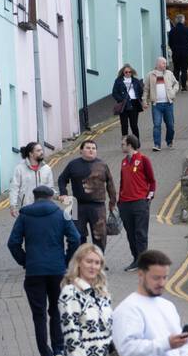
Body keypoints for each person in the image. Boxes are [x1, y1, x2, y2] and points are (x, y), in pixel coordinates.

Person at [7, 185, 80, 356]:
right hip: (57, 271)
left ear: (35, 197)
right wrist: (65, 260)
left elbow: (13, 243)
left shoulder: (24, 216)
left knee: (38, 315)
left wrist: (25, 261)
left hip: (34, 272)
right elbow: (75, 238)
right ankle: (58, 350)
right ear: (50, 197)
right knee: (56, 310)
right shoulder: (61, 214)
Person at [57, 138, 118, 253]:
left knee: (100, 236)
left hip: (98, 206)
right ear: (81, 151)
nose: (91, 150)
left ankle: (99, 260)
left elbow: (110, 184)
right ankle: (80, 260)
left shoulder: (102, 165)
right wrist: (63, 194)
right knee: (77, 236)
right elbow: (62, 179)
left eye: (94, 148)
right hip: (76, 206)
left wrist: (112, 202)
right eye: (88, 148)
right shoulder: (73, 165)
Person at [117, 134, 156, 271]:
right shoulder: (123, 162)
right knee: (130, 233)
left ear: (130, 145)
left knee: (141, 233)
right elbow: (122, 182)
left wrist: (148, 198)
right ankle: (136, 259)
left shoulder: (143, 159)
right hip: (125, 203)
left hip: (140, 202)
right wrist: (119, 200)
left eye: (123, 144)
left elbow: (152, 181)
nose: (121, 146)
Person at [8, 142, 54, 218]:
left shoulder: (47, 169)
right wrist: (13, 206)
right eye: (38, 151)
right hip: (27, 209)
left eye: (41, 150)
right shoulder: (19, 169)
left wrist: (59, 197)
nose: (42, 152)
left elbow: (50, 189)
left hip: (44, 209)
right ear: (31, 154)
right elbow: (14, 188)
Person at [145, 56, 179, 152]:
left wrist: (173, 92)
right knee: (157, 125)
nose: (165, 65)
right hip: (156, 105)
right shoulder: (150, 75)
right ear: (158, 64)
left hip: (168, 103)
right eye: (163, 63)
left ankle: (169, 141)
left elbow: (176, 84)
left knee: (170, 125)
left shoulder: (169, 74)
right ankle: (157, 144)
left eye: (165, 63)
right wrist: (144, 101)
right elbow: (146, 89)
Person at [111, 63, 144, 145]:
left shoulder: (135, 81)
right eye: (126, 72)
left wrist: (140, 99)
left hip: (134, 104)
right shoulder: (118, 81)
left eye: (130, 72)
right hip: (124, 105)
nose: (128, 73)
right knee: (124, 125)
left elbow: (141, 91)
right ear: (123, 72)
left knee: (134, 125)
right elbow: (114, 93)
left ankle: (136, 142)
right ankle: (124, 144)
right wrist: (121, 100)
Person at [168, 14, 188, 90]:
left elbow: (170, 42)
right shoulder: (187, 29)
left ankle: (176, 86)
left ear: (176, 21)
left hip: (176, 52)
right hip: (185, 52)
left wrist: (173, 48)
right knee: (184, 70)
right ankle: (184, 86)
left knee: (176, 69)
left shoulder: (172, 31)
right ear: (183, 20)